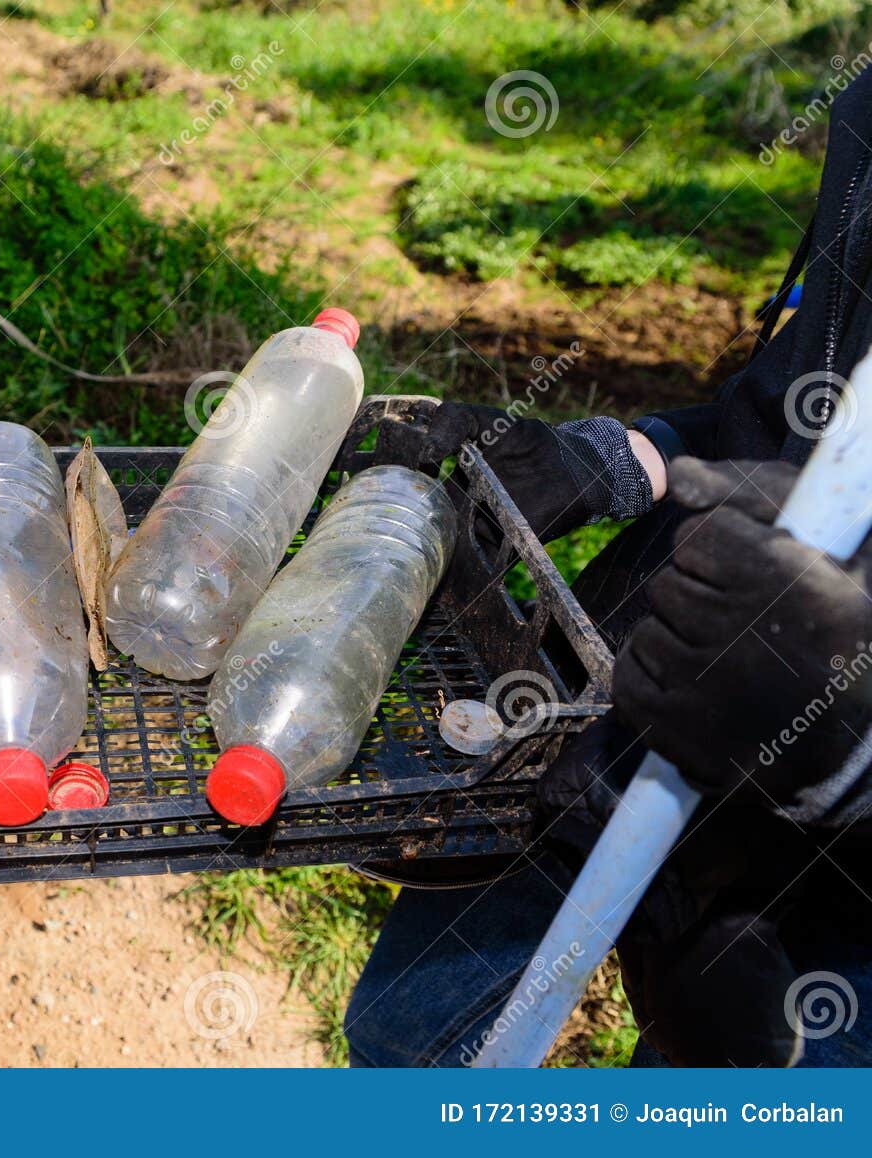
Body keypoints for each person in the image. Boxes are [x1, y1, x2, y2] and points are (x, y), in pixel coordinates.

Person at [348, 69, 872, 1067]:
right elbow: (794, 406)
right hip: (640, 685)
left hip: (835, 863)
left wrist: (850, 745)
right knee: (410, 1037)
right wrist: (622, 458)